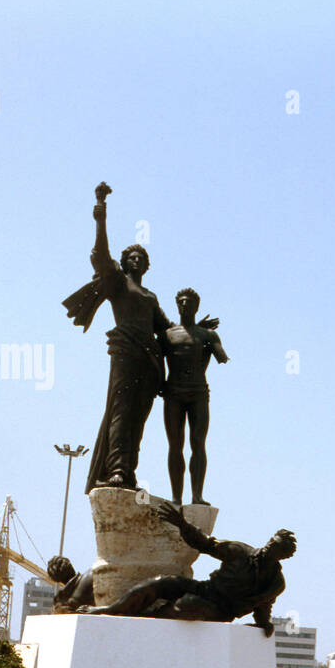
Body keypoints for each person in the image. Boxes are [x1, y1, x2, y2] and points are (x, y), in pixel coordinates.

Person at [64, 183, 172, 492]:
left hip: (150, 361)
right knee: (121, 412)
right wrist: (101, 214)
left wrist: (195, 329)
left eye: (141, 257)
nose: (136, 259)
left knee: (138, 420)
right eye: (132, 256)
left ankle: (129, 472)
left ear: (147, 265)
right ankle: (116, 469)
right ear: (125, 263)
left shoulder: (150, 297)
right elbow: (101, 255)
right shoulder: (119, 283)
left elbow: (166, 329)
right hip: (125, 352)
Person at [86, 500, 296, 628]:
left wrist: (263, 624)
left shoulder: (276, 583)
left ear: (282, 556)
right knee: (161, 583)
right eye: (271, 542)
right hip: (205, 589)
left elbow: (264, 605)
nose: (269, 547)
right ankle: (110, 610)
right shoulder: (240, 552)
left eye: (276, 548)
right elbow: (205, 544)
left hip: (221, 610)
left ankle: (144, 620)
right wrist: (182, 525)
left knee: (188, 606)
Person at [163, 288, 228, 505]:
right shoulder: (168, 334)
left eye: (189, 302)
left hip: (198, 392)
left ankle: (197, 495)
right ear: (176, 305)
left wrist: (209, 339)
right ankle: (176, 498)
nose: (184, 305)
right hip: (173, 392)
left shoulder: (207, 335)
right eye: (181, 302)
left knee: (198, 443)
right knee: (175, 444)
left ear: (196, 306)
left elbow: (222, 356)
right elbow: (153, 359)